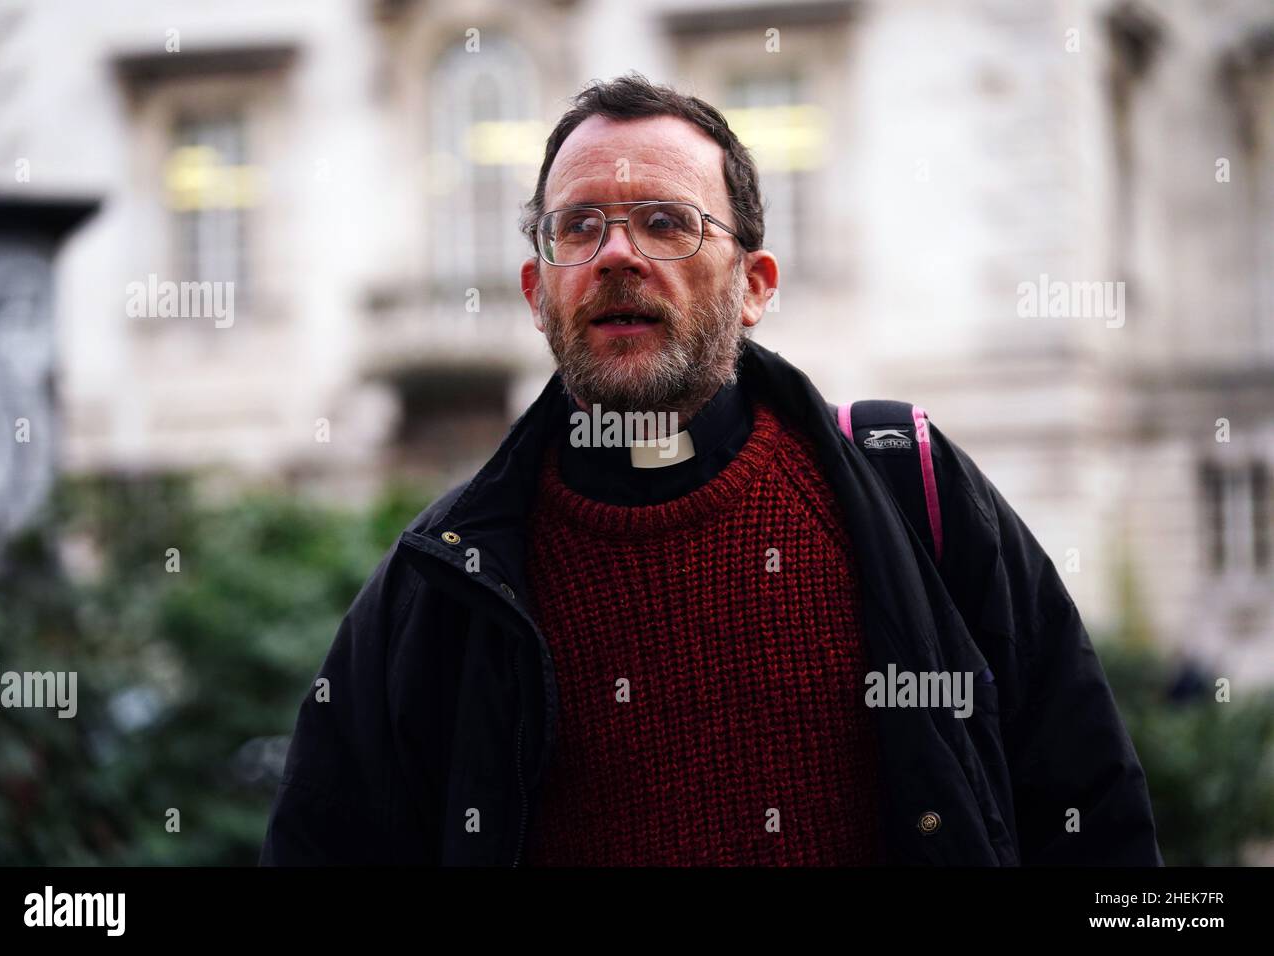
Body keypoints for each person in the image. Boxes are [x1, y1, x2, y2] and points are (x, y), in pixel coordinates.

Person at [259, 72, 1161, 866]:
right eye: (579, 229)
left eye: (665, 223)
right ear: (539, 296)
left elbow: (1091, 817)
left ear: (756, 285)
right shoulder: (444, 576)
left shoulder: (911, 492)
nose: (618, 254)